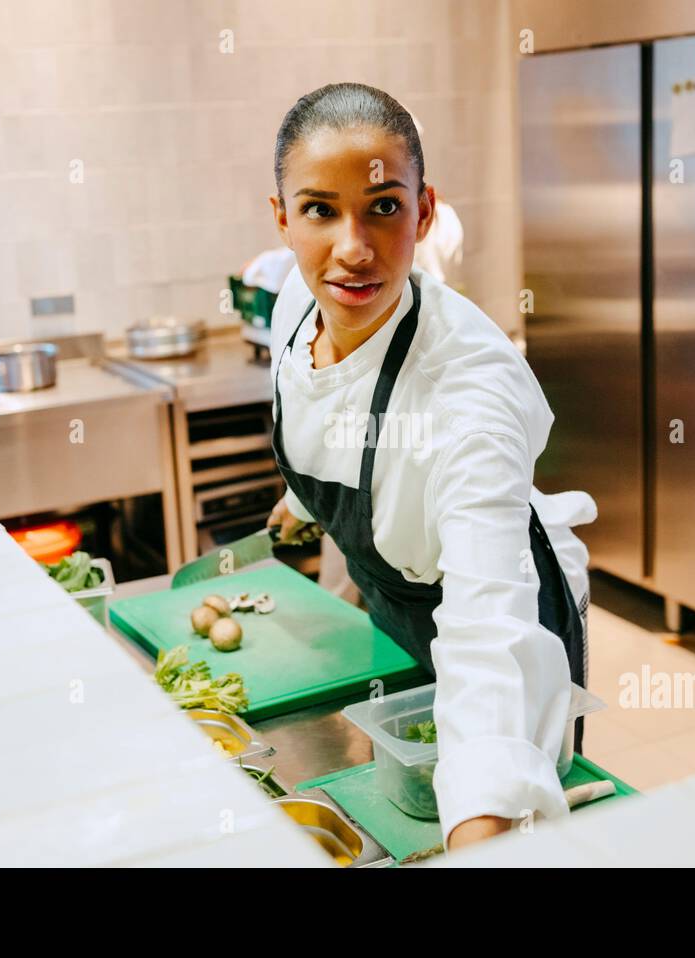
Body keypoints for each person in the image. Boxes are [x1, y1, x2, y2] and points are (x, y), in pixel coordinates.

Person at [265, 83, 597, 852]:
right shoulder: (296, 305)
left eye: (383, 207)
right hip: (394, 612)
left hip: (499, 617)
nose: (352, 248)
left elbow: (488, 630)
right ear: (281, 219)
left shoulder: (469, 395)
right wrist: (301, 497)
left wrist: (478, 829)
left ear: (424, 212)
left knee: (500, 797)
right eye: (319, 209)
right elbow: (321, 409)